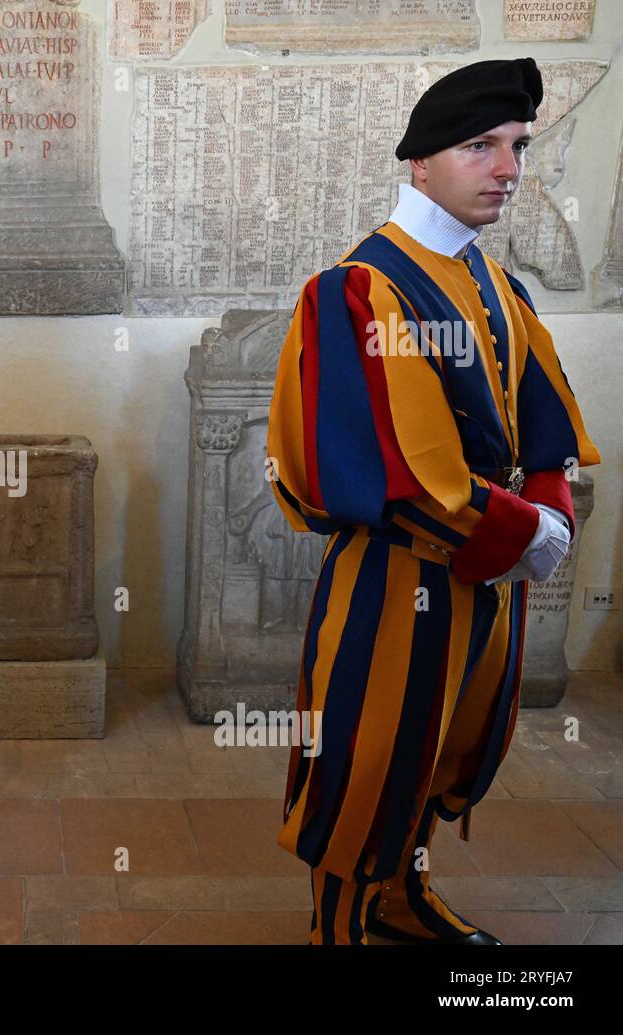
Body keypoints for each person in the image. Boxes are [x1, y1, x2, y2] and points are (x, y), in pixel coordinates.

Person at [266, 57, 601, 945]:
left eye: (519, 147)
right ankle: (335, 926)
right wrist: (526, 533)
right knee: (369, 754)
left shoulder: (494, 283)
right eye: (480, 146)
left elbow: (543, 417)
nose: (508, 169)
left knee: (446, 745)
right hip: (397, 577)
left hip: (487, 577)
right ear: (421, 162)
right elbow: (388, 467)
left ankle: (404, 896)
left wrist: (548, 507)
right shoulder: (359, 288)